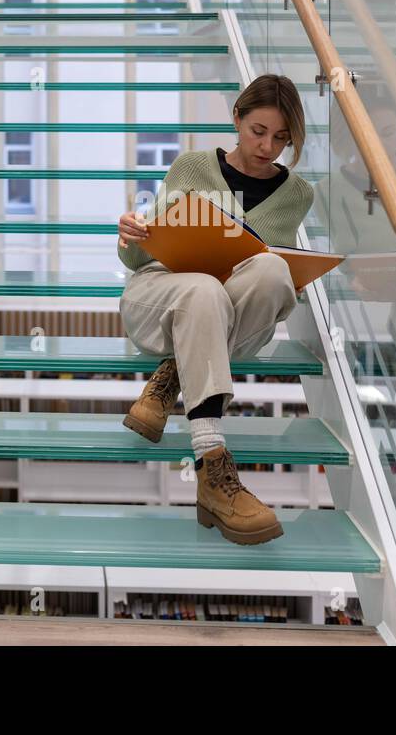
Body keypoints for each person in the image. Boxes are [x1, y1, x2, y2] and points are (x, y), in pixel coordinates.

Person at [115, 73, 313, 546]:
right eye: (258, 131)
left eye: (282, 139)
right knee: (203, 288)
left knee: (273, 275)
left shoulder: (299, 194)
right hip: (161, 295)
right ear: (237, 119)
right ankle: (212, 457)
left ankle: (172, 378)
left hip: (228, 317)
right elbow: (143, 256)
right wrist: (132, 236)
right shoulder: (190, 167)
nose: (268, 147)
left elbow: (269, 284)